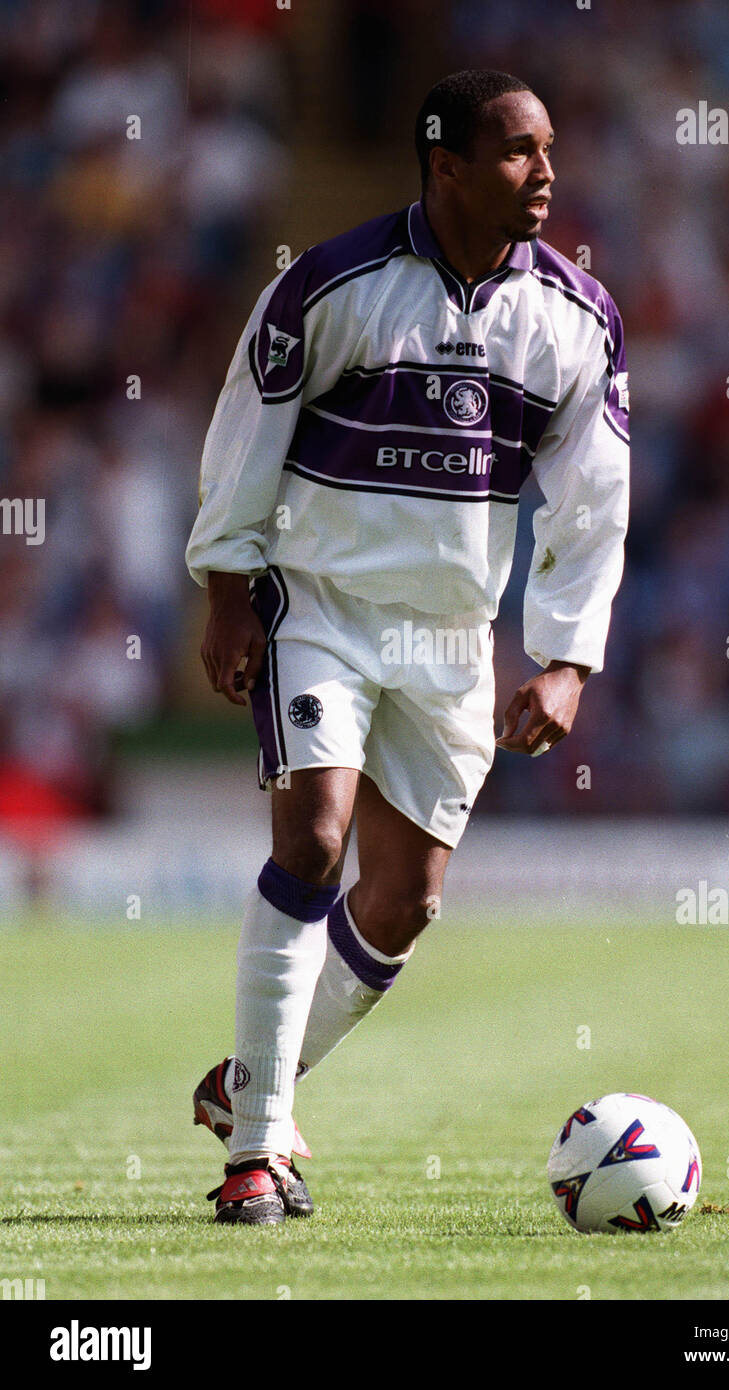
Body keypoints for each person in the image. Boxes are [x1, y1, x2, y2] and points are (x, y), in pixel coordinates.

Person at [185, 69, 629, 1224]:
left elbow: (592, 502)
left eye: (548, 150)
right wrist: (229, 585)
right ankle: (257, 1150)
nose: (545, 173)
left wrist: (566, 658)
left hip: (450, 640)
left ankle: (250, 1081)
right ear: (445, 167)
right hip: (318, 605)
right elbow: (248, 429)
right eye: (519, 152)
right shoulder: (329, 285)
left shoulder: (576, 319)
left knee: (405, 900)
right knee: (314, 839)